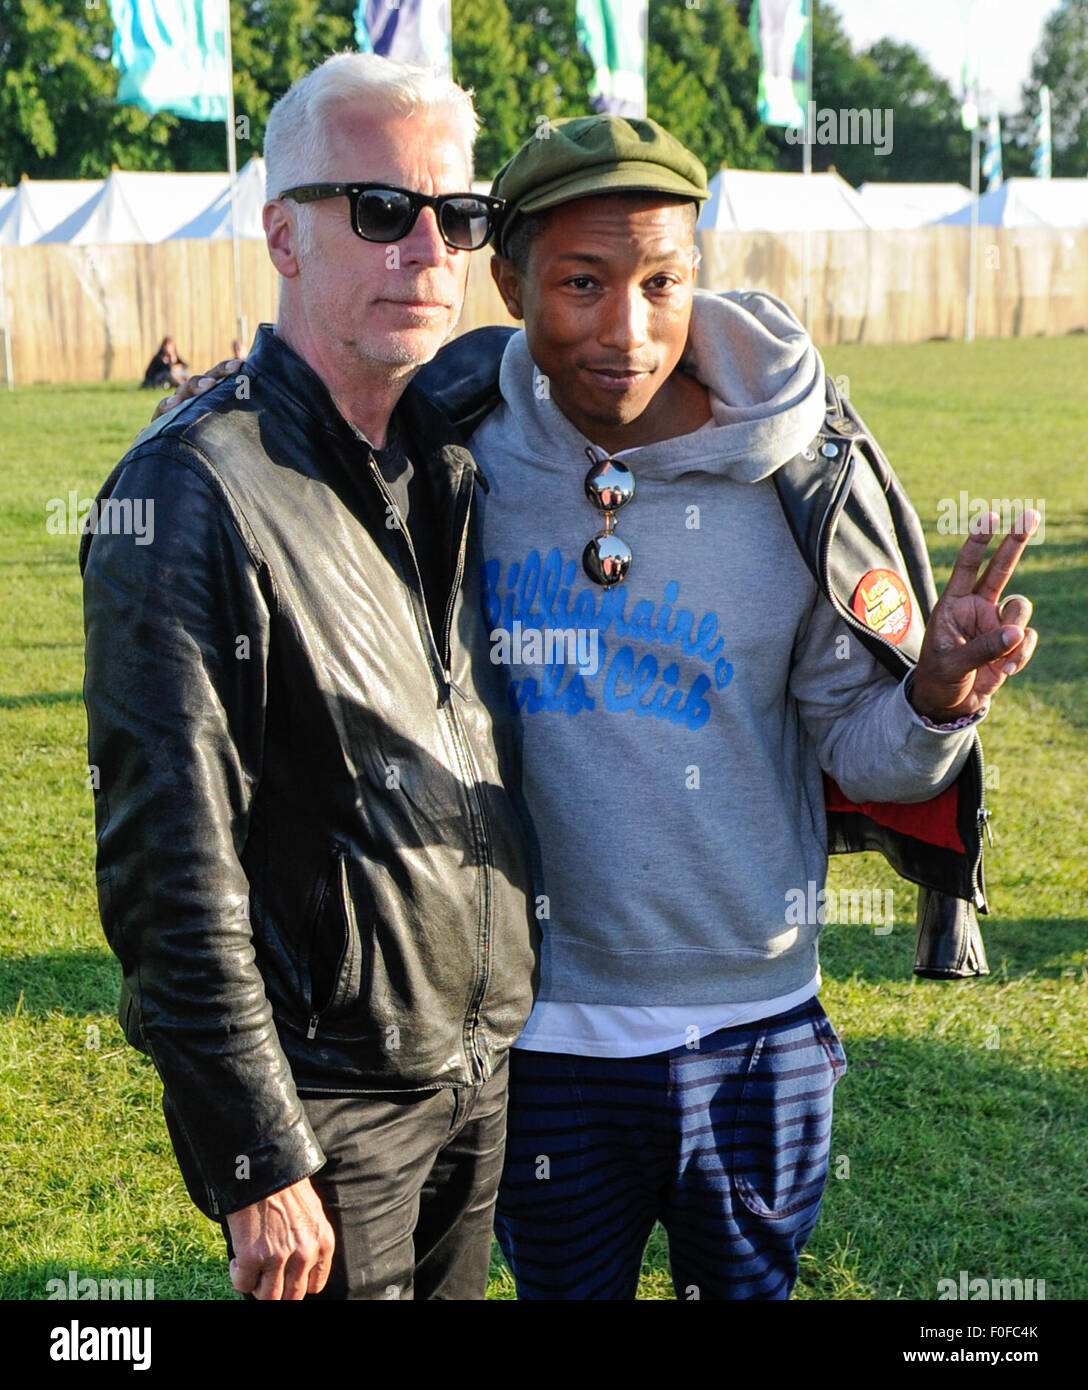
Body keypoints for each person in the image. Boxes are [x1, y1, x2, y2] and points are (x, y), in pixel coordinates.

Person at [167, 115, 1040, 1302]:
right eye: (581, 283)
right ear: (509, 277)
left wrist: (937, 693)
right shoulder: (442, 459)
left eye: (661, 281)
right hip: (536, 1045)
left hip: (756, 1034)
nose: (626, 331)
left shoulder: (793, 469)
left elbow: (871, 758)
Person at [80, 53, 537, 1302]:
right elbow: (165, 857)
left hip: (477, 1074)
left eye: (459, 216)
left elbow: (637, 333)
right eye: (381, 210)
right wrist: (255, 1156)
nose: (426, 248)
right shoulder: (190, 492)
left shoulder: (446, 446)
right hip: (328, 1114)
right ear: (281, 233)